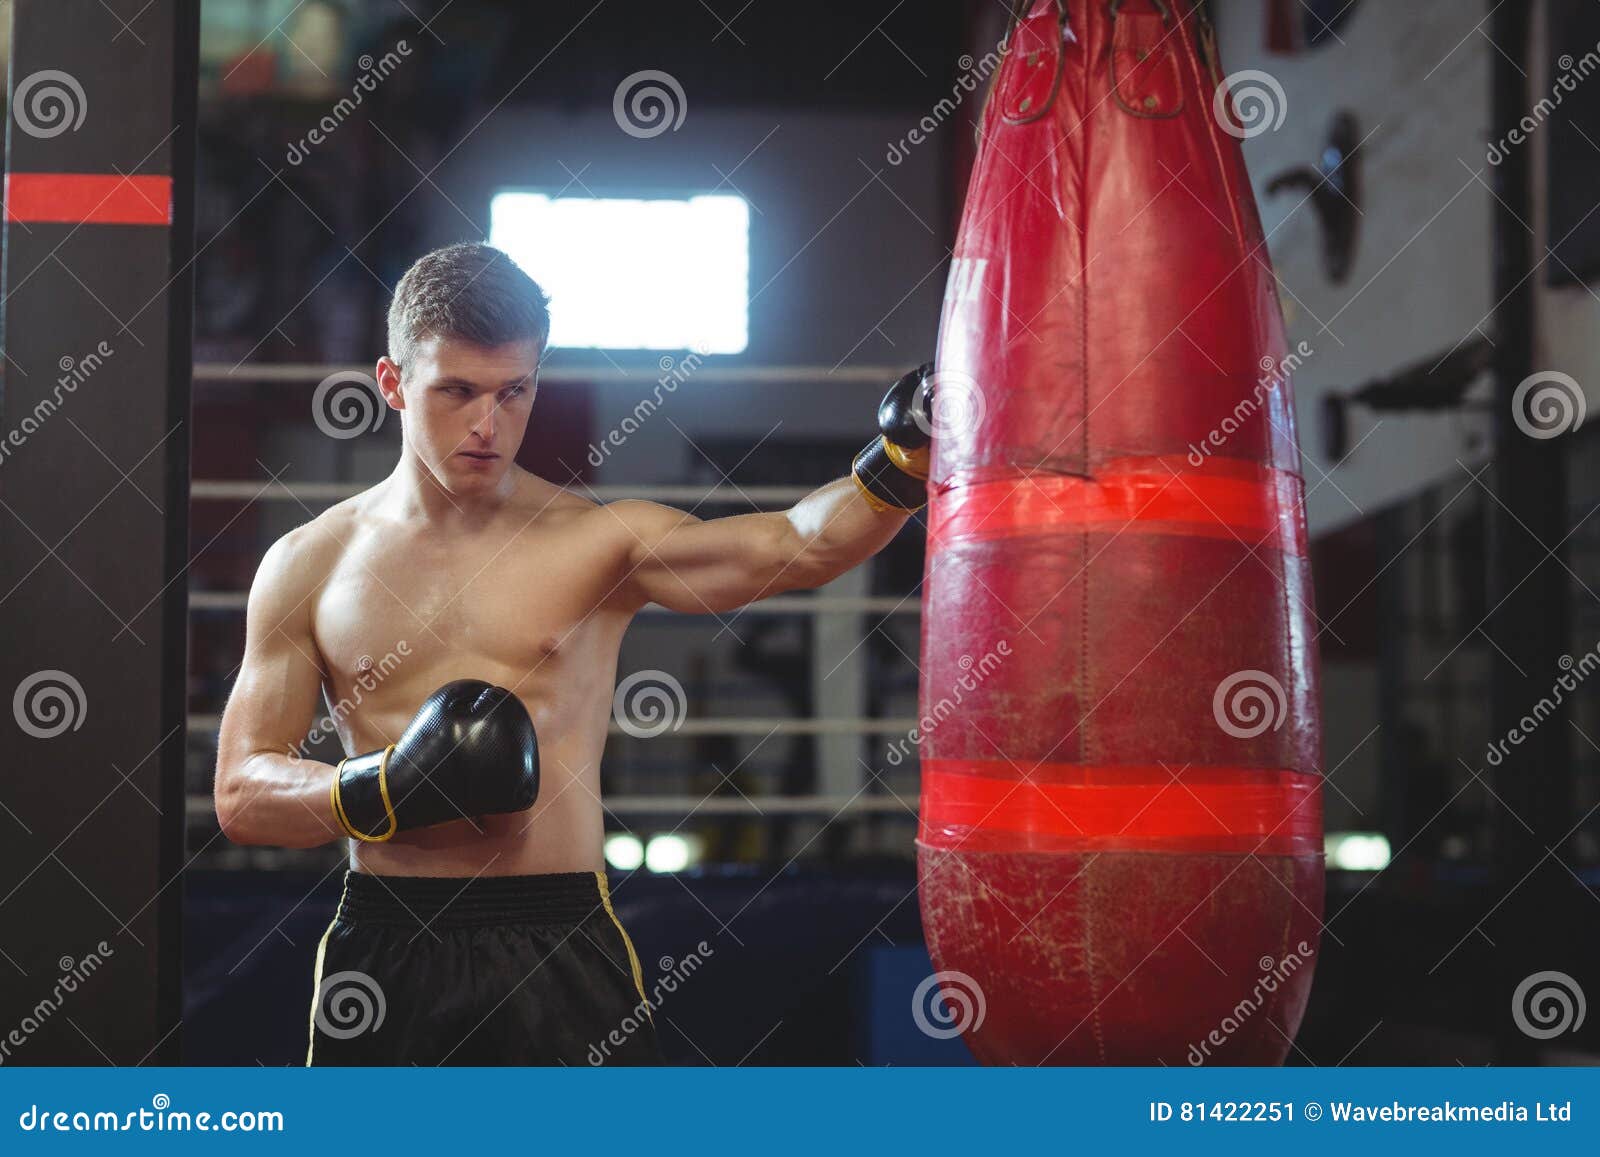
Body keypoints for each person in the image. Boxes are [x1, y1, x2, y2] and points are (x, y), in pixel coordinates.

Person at [211, 242, 935, 1065]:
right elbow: (242, 791)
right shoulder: (312, 561)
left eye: (513, 392)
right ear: (392, 383)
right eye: (456, 391)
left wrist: (905, 459)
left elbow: (795, 547)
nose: (488, 424)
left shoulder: (597, 541)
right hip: (387, 945)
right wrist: (382, 785)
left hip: (559, 943)